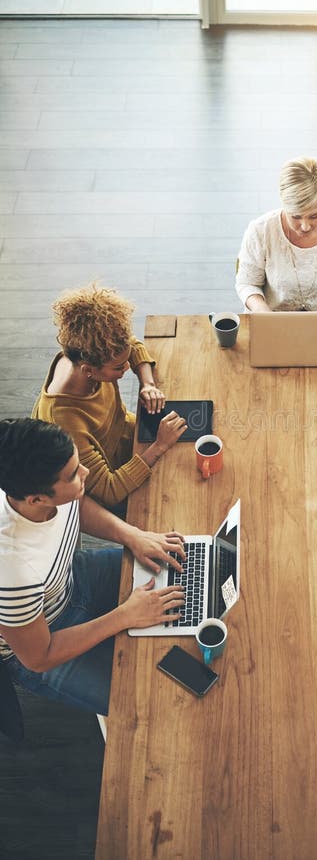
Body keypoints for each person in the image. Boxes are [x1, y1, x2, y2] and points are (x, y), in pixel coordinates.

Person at [0, 418, 185, 717]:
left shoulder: (51, 489)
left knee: (182, 571)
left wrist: (132, 535)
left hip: (71, 578)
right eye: (74, 473)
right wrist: (125, 615)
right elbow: (39, 657)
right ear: (36, 499)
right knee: (150, 700)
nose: (85, 473)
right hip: (46, 637)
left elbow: (78, 504)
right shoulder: (12, 572)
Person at [32, 283, 187, 510]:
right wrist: (159, 446)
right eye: (117, 368)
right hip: (116, 476)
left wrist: (148, 384)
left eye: (125, 363)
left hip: (130, 436)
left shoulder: (87, 351)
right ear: (89, 371)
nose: (126, 368)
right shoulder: (65, 421)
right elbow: (109, 490)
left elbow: (131, 346)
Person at [235, 156, 317, 312]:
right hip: (274, 320)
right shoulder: (260, 230)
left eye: (314, 216)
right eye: (296, 216)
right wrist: (263, 312)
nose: (305, 226)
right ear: (283, 203)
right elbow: (247, 283)